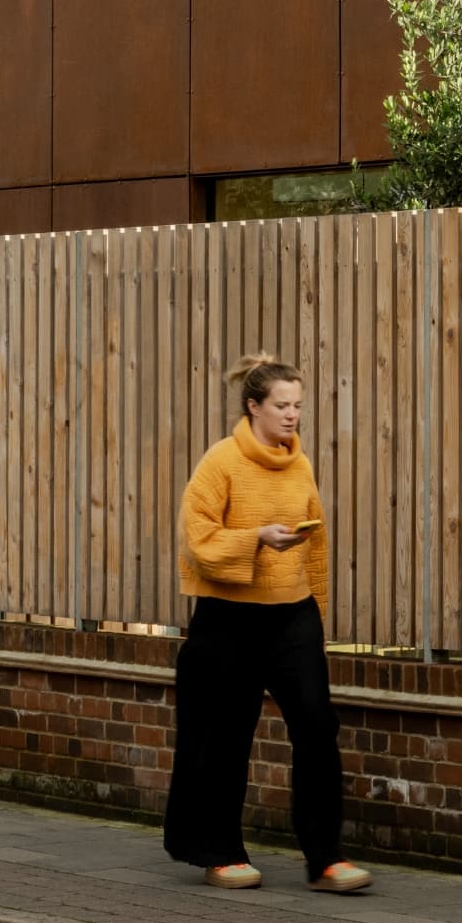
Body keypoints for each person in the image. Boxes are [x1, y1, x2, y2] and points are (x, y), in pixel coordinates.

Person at [162, 352, 371, 893]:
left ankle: (326, 860)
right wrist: (255, 538)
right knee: (227, 734)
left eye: (298, 405)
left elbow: (317, 546)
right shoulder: (221, 461)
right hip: (228, 618)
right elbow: (197, 538)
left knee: (318, 729)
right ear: (253, 405)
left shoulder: (300, 464)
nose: (292, 414)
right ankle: (222, 852)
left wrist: (317, 613)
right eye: (281, 404)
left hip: (292, 617)